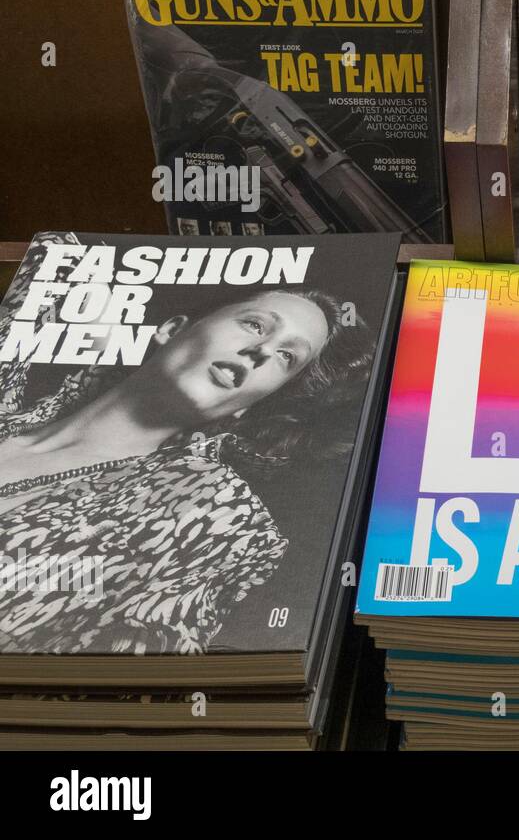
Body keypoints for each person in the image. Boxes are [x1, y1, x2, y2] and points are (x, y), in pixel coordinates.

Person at [0, 234, 373, 656]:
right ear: (172, 330)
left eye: (288, 357)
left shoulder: (217, 516)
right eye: (255, 324)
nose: (263, 349)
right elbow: (46, 265)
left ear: (248, 407)